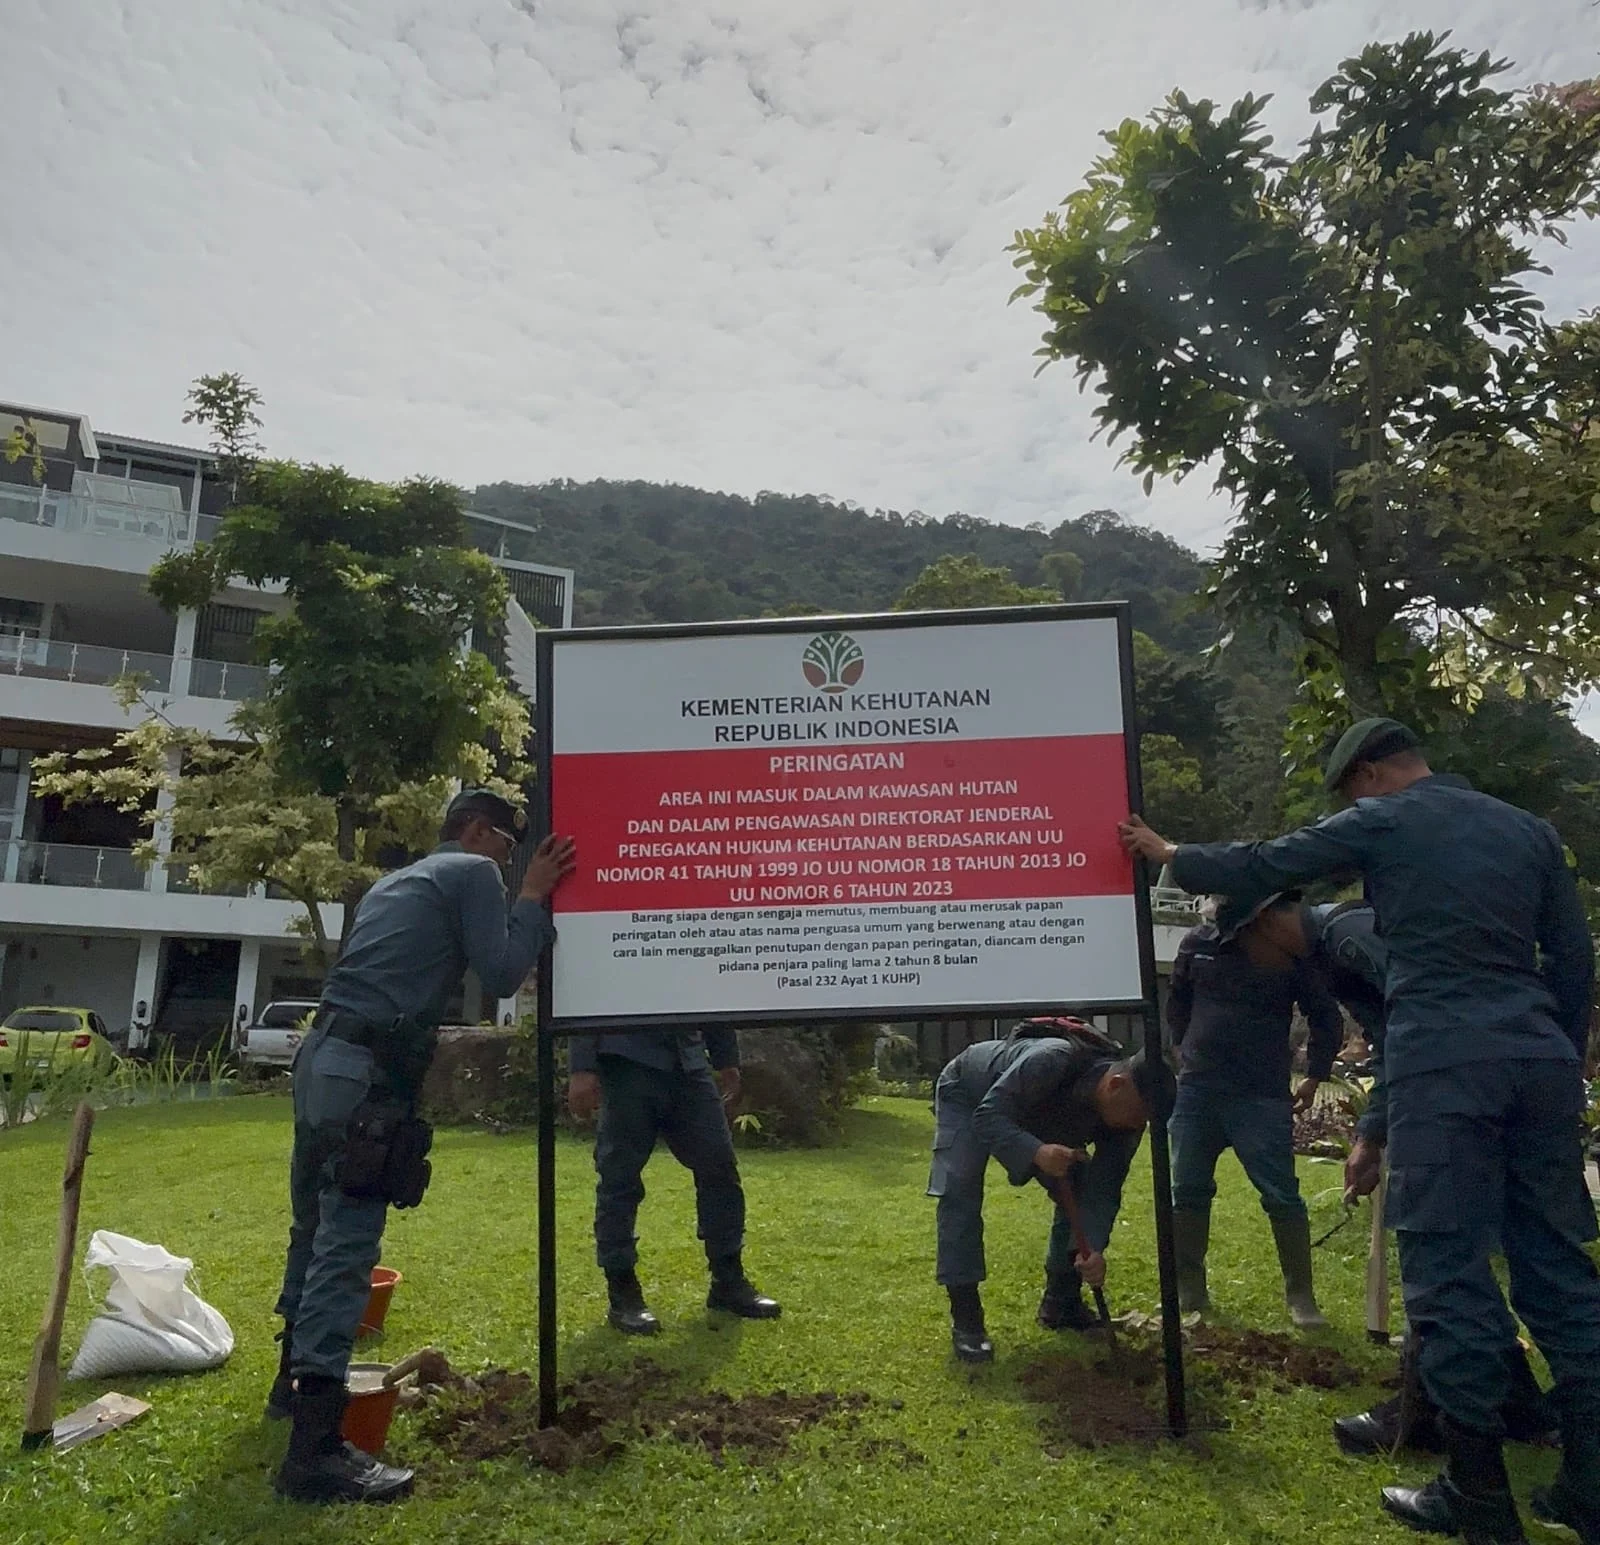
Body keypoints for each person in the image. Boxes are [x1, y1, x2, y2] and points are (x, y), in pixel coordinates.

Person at [1120, 718, 1600, 1545]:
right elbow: (1573, 957)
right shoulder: (1531, 831)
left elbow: (1273, 860)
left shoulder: (1388, 817)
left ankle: (1479, 1499)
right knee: (1560, 1273)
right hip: (1542, 1062)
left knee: (1448, 1279)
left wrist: (1171, 853)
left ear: (1372, 773)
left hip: (1446, 1064)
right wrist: (1546, 1043)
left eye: (1350, 790)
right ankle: (1591, 1489)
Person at [269, 789, 576, 1505]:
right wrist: (533, 897)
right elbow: (500, 972)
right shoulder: (470, 873)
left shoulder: (396, 878)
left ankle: (286, 1391)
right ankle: (314, 1451)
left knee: (310, 1227)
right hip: (369, 1071)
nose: (508, 857)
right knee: (346, 1243)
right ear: (474, 831)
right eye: (506, 841)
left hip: (323, 1058)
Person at [1243, 897, 1557, 1456]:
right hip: (1487, 1081)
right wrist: (1371, 1134)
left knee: (1438, 1259)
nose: (1249, 959)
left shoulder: (1352, 935)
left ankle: (1430, 1415)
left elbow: (1426, 1016)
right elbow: (1394, 1040)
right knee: (1465, 1260)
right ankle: (1517, 1407)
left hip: (1460, 1093)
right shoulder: (1332, 948)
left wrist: (1420, 1118)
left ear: (1268, 922)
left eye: (1246, 944)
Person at [927, 1016, 1176, 1363]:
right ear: (1116, 1085)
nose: (1140, 1125)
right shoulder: (1052, 1058)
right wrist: (1035, 1152)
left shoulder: (1127, 1123)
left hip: (1034, 1116)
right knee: (960, 1189)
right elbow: (989, 1116)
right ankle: (967, 1323)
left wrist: (1091, 1249)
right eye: (1139, 1115)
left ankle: (1062, 1304)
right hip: (971, 1093)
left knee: (1077, 1183)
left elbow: (1104, 1190)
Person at [1166, 891, 1344, 1328]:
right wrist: (1181, 1051)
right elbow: (1177, 1004)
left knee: (1281, 1194)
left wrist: (1315, 1073)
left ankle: (1301, 1298)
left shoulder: (1286, 954)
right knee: (1187, 1190)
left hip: (1260, 1095)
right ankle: (1189, 1292)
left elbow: (1326, 1016)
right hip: (1197, 1090)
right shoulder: (1197, 944)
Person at [566, 1022, 780, 1334]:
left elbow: (708, 986)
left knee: (719, 1167)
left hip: (688, 1063)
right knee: (619, 1178)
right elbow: (589, 988)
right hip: (626, 1061)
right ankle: (623, 1293)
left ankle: (728, 1282)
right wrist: (581, 1068)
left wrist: (726, 1059)